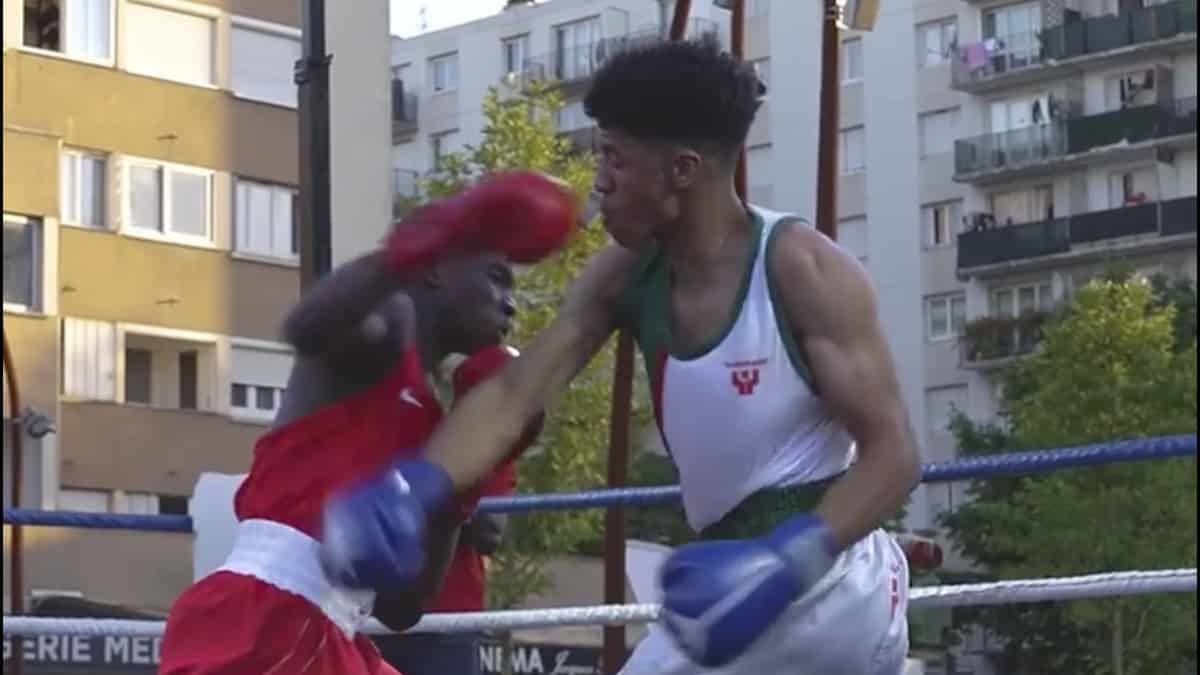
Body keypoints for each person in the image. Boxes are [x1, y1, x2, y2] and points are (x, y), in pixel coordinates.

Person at [322, 36, 923, 675]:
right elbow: (516, 393)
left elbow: (895, 455)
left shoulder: (802, 270)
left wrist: (788, 558)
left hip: (830, 571)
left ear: (683, 170)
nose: (599, 181)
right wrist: (417, 484)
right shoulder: (627, 273)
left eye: (615, 158)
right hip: (736, 572)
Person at [158, 170, 578, 675]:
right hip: (262, 618)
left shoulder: (437, 428)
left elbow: (403, 610)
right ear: (437, 269)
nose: (509, 303)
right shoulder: (385, 331)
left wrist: (462, 490)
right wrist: (403, 253)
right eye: (495, 277)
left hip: (332, 630)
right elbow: (307, 327)